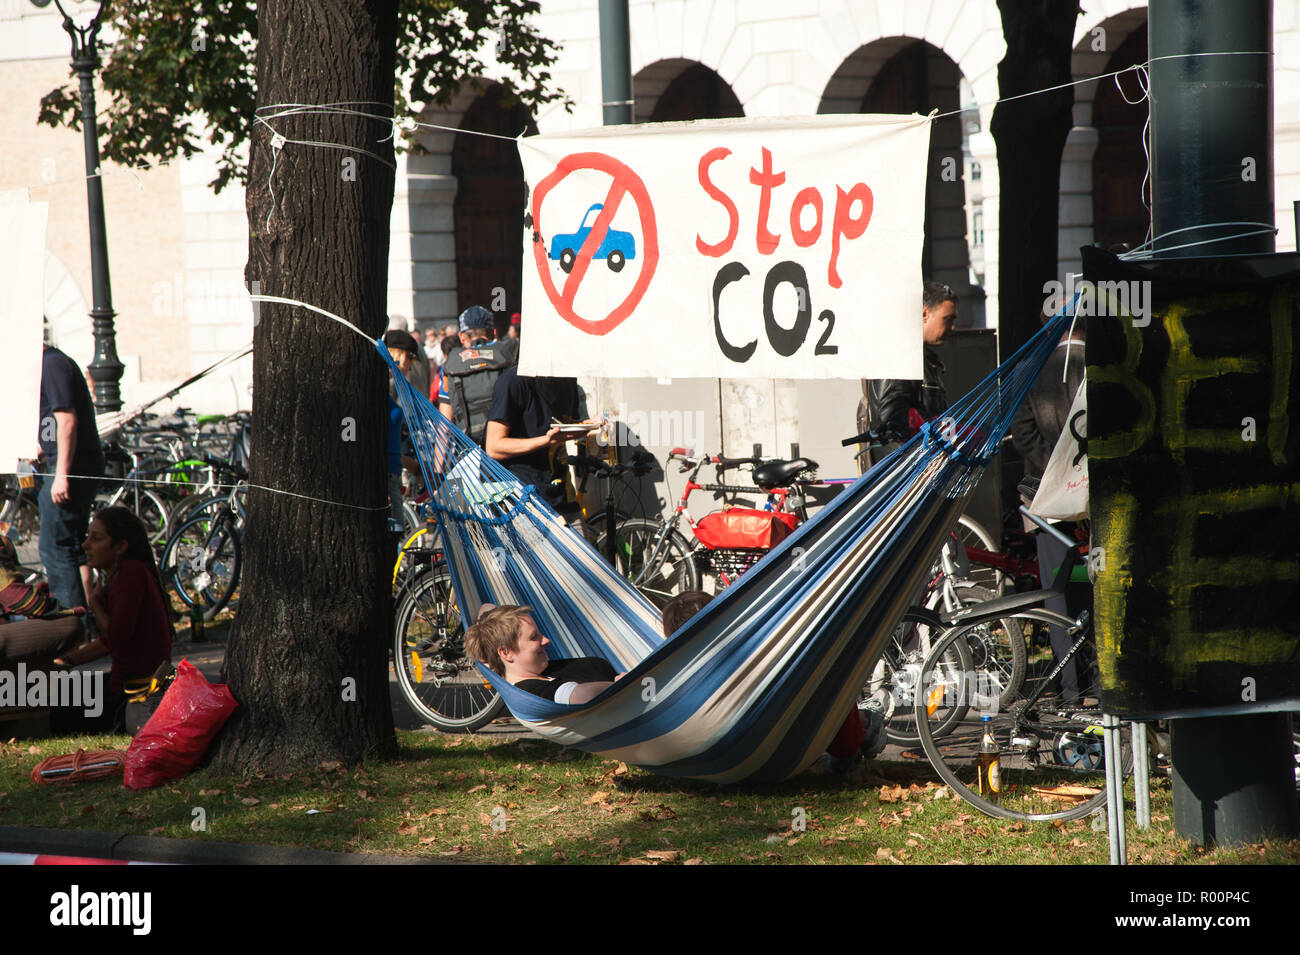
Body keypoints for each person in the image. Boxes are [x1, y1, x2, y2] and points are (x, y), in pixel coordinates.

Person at [1011, 314, 1090, 702]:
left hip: (1048, 503)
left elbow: (1022, 436)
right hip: (1094, 501)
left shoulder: (1032, 371)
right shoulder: (1101, 367)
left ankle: (1071, 690)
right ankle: (1100, 683)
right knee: (1088, 587)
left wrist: (1056, 471)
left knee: (1057, 595)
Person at [52, 507, 174, 731]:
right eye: (87, 537)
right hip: (128, 682)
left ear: (120, 547)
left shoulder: (131, 573)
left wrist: (67, 661)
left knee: (52, 703)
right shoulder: (120, 574)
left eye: (96, 538)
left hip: (139, 688)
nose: (86, 545)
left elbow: (116, 636)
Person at [37, 344, 105, 611]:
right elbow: (53, 423)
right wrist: (42, 446)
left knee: (55, 547)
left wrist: (62, 474)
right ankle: (88, 620)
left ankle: (71, 629)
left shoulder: (51, 364)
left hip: (70, 467)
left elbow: (66, 419)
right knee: (75, 548)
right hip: (65, 462)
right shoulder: (49, 363)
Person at [862, 281, 959, 466]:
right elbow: (890, 432)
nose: (952, 327)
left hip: (926, 469)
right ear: (924, 314)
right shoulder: (899, 359)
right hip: (910, 477)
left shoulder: (925, 360)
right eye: (948, 319)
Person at [464, 604, 620, 705]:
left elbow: (486, 607)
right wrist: (624, 685)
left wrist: (486, 628)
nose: (546, 640)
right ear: (506, 653)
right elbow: (587, 696)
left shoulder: (537, 670)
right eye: (534, 637)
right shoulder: (531, 691)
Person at [437, 305, 519, 445]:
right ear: (493, 333)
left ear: (462, 337)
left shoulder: (450, 366)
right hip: (508, 446)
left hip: (470, 451)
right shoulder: (510, 355)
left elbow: (445, 428)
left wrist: (437, 467)